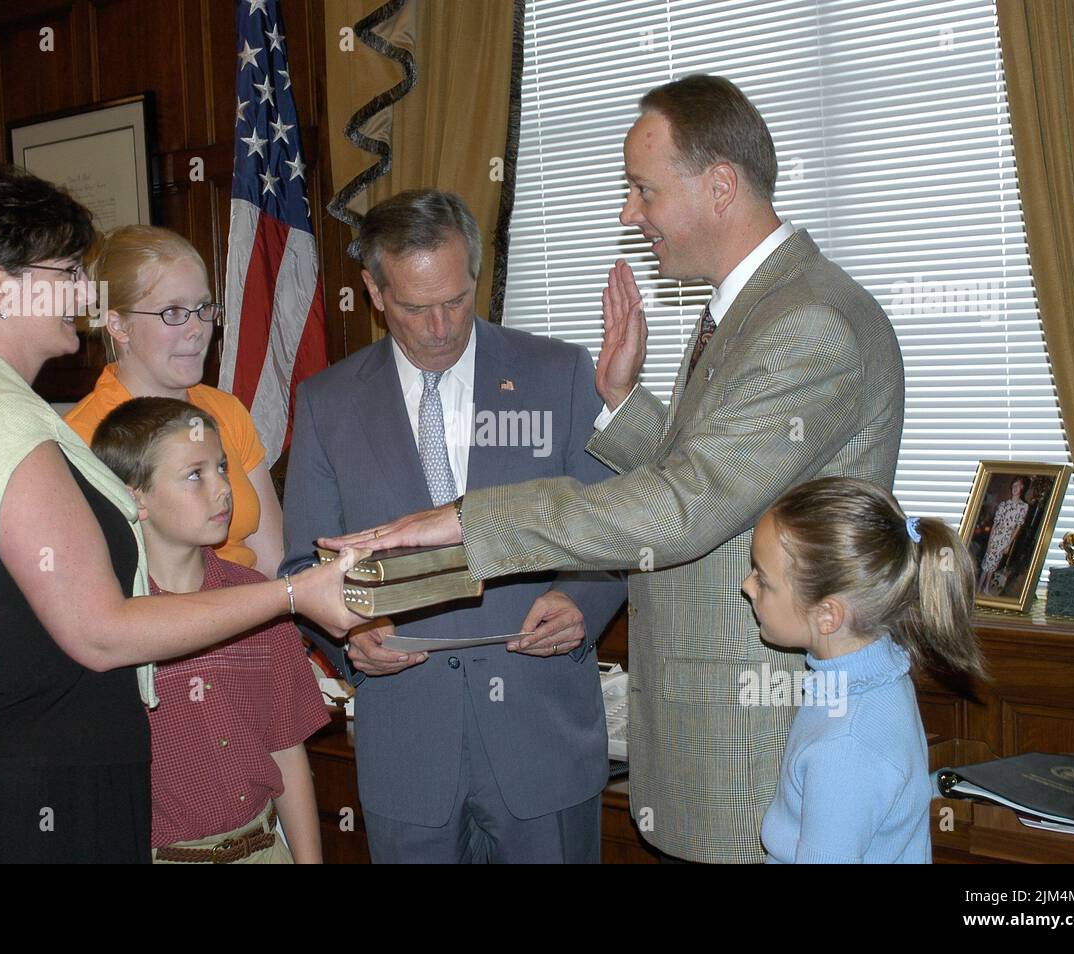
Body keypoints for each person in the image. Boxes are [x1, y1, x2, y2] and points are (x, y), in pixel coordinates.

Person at [323, 75, 907, 863]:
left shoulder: (804, 322)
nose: (630, 214)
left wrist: (469, 519)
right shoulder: (754, 306)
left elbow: (685, 509)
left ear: (721, 187)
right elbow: (720, 476)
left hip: (748, 731)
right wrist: (625, 400)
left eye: (644, 190)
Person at [0, 163, 364, 864]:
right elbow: (102, 632)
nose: (83, 294)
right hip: (29, 798)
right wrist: (294, 595)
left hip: (41, 778)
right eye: (65, 272)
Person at [280, 189, 626, 863]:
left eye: (457, 298)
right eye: (414, 306)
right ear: (374, 292)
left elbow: (617, 527)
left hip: (542, 737)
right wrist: (354, 630)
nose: (440, 325)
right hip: (409, 749)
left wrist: (582, 602)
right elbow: (302, 568)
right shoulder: (326, 404)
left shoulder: (559, 374)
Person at [91, 397, 328, 863]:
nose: (223, 488)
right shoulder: (108, 620)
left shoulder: (256, 596)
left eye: (222, 467)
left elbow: (287, 748)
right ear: (135, 495)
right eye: (195, 475)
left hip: (264, 846)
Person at [745, 477, 984, 863]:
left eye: (763, 579)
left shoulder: (845, 746)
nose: (747, 586)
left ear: (827, 615)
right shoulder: (877, 674)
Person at [65, 225, 284, 574]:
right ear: (118, 325)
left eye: (203, 307)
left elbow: (275, 564)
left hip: (255, 611)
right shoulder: (80, 440)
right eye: (173, 313)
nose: (197, 329)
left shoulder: (226, 410)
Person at [977, 476, 1029, 592]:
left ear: (1022, 488)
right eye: (1013, 485)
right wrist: (990, 542)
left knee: (994, 564)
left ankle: (985, 588)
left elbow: (1017, 528)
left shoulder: (1023, 507)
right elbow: (995, 525)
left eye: (1017, 486)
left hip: (1005, 539)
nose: (1015, 488)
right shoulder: (1004, 505)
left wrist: (1008, 544)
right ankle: (979, 588)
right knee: (987, 564)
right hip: (995, 537)